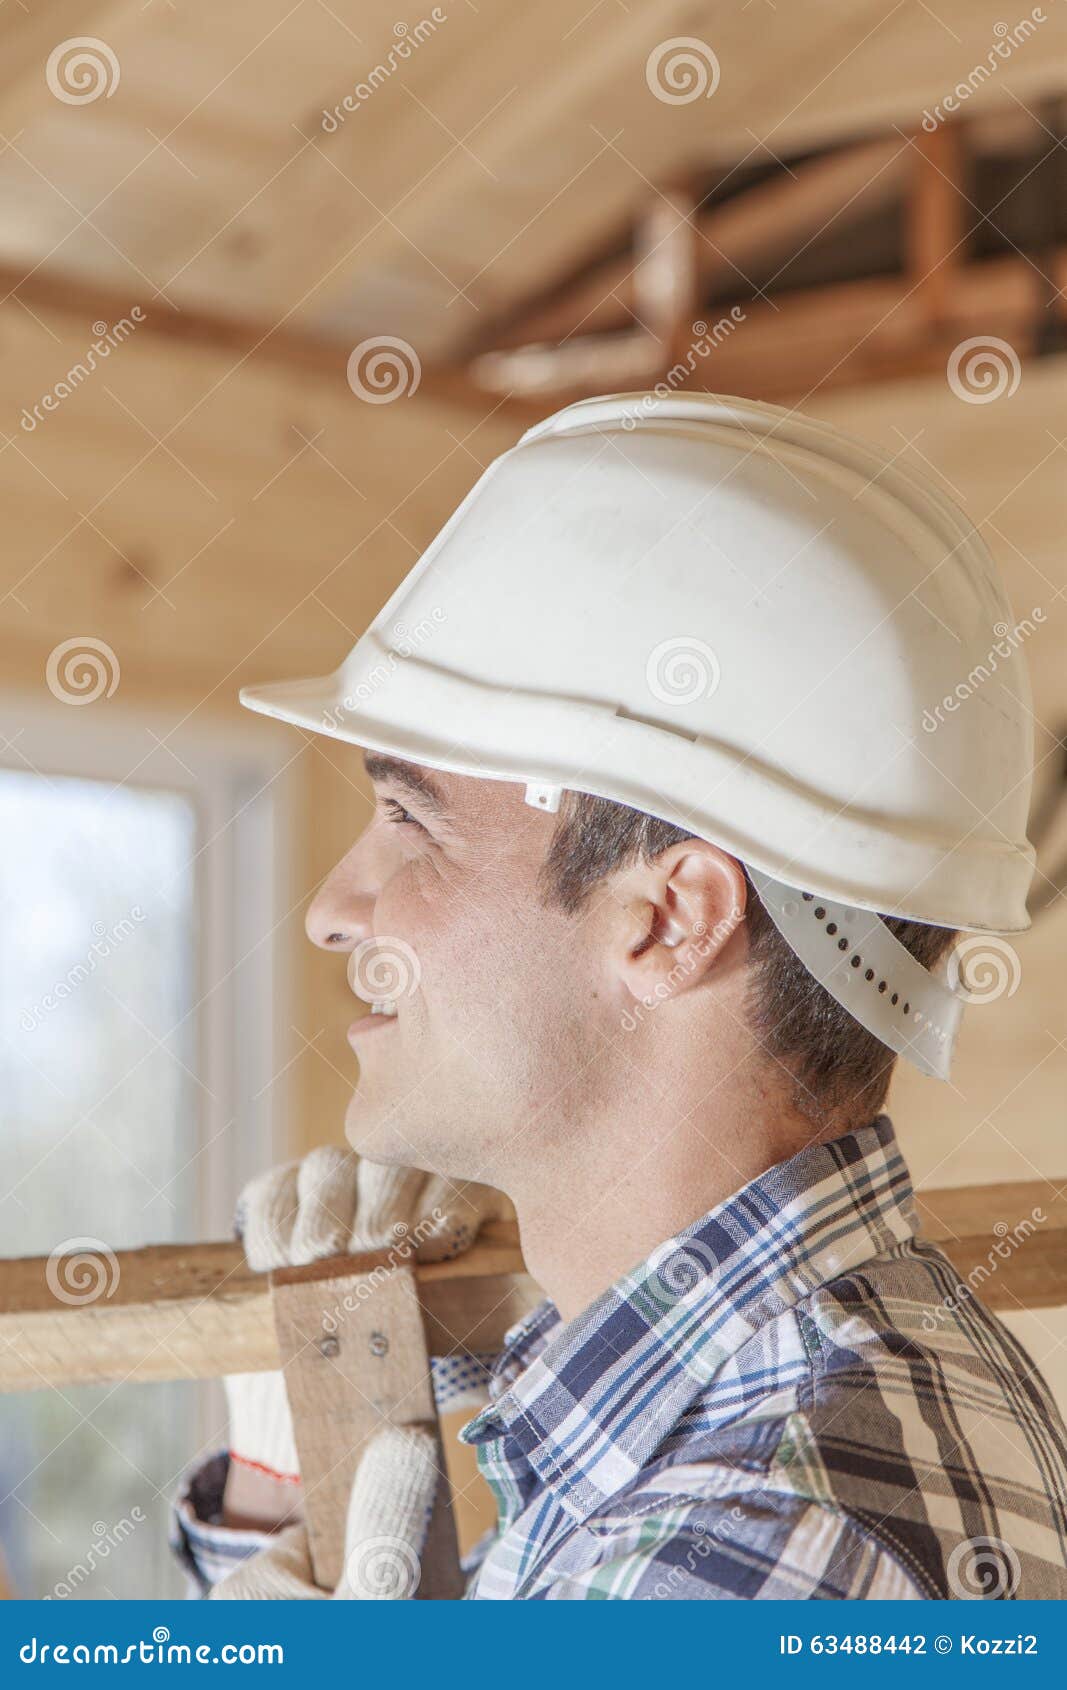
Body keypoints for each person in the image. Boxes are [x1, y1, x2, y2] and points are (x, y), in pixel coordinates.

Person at [173, 392, 1067, 1600]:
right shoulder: (711, 1425)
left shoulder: (755, 1534)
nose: (335, 906)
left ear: (667, 920)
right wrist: (295, 1476)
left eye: (408, 819)